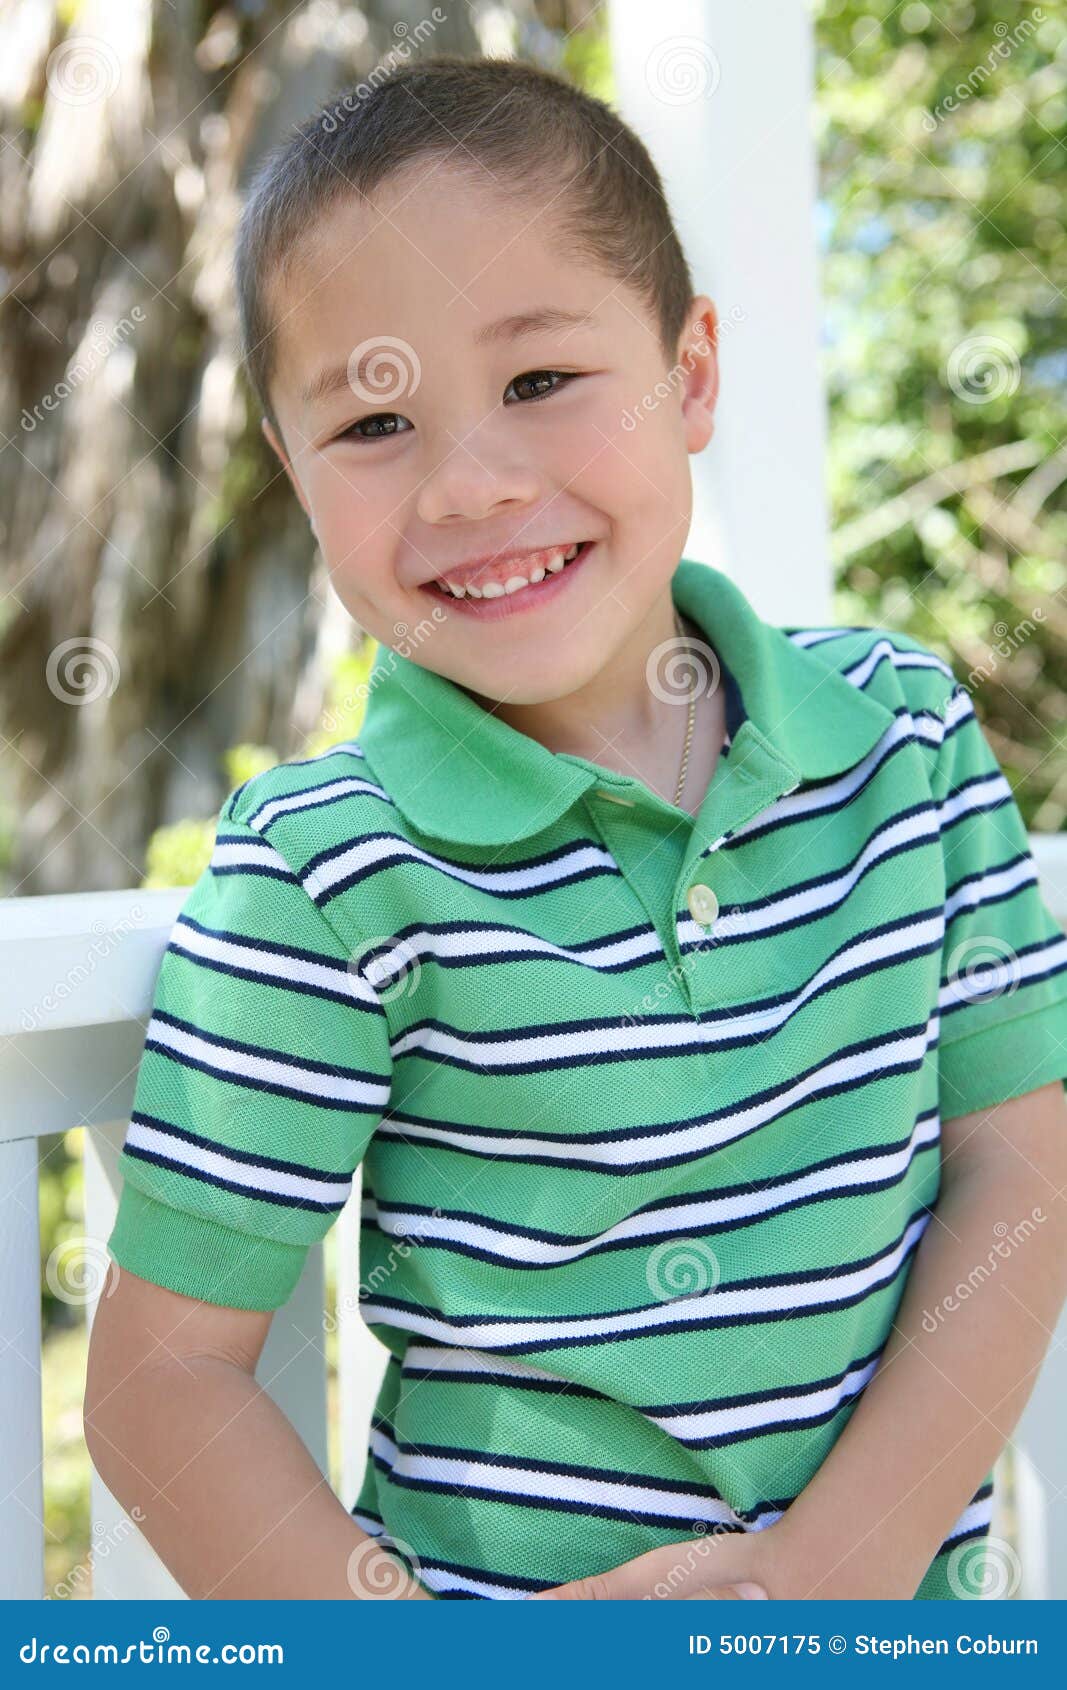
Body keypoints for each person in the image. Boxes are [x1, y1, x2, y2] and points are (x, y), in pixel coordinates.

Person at [85, 55, 1067, 1603]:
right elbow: (161, 1380)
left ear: (690, 373)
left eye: (539, 381)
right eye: (374, 423)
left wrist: (822, 1583)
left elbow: (1021, 1170)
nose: (472, 485)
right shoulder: (325, 873)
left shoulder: (906, 738)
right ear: (293, 472)